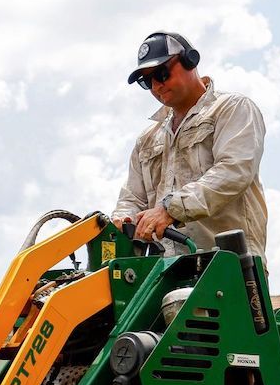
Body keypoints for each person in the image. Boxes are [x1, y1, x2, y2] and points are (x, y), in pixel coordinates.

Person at [112, 31, 268, 256]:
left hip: (228, 265)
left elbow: (233, 172)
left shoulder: (232, 109)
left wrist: (170, 210)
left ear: (190, 60)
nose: (156, 85)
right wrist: (123, 219)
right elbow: (132, 198)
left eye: (162, 73)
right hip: (162, 271)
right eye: (146, 81)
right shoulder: (147, 140)